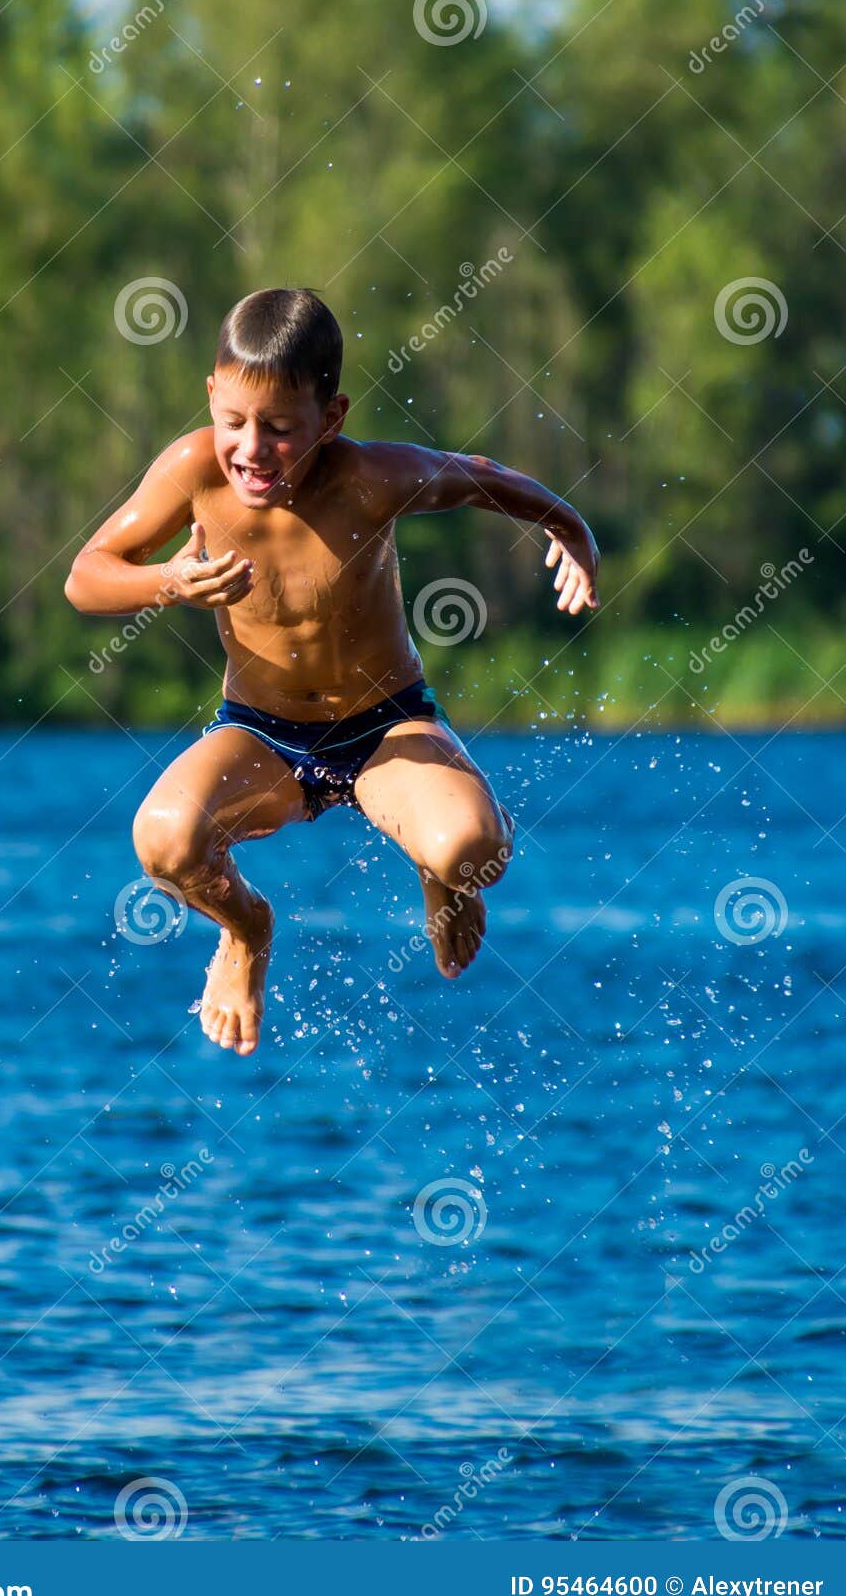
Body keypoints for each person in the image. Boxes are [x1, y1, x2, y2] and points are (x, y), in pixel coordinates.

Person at [65, 287, 599, 1056]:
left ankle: (438, 869)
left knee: (473, 852)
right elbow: (87, 575)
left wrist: (569, 527)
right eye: (234, 422)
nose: (252, 449)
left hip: (387, 730)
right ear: (211, 396)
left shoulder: (370, 479)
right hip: (261, 737)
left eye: (281, 430)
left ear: (332, 418)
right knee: (164, 842)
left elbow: (478, 475)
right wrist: (167, 583)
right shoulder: (192, 471)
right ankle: (248, 933)